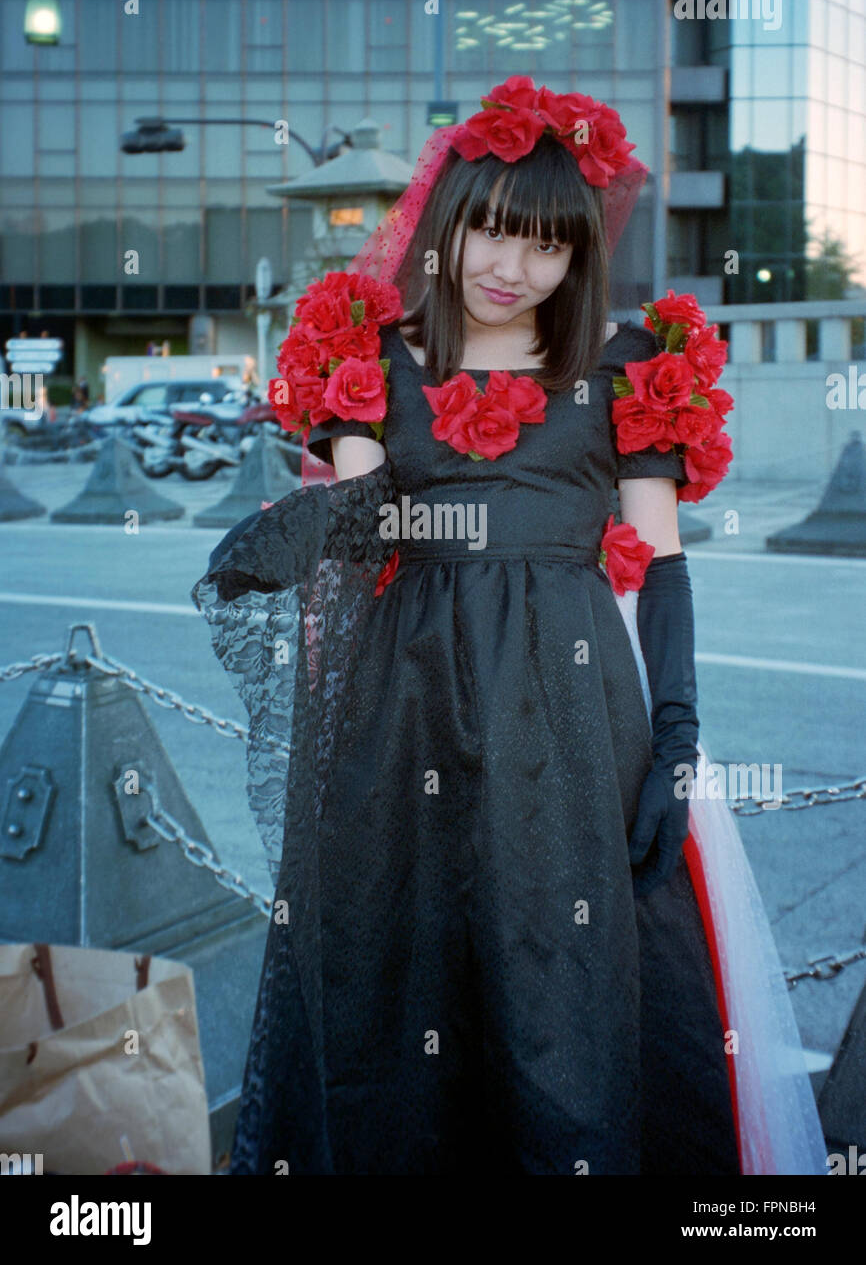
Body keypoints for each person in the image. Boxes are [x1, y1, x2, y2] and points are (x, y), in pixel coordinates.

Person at [192, 78, 826, 1176]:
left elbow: (662, 568)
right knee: (403, 997)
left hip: (576, 716)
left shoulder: (632, 366)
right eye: (487, 229)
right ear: (447, 222)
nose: (506, 266)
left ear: (578, 257)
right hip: (406, 709)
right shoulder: (372, 357)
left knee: (568, 1003)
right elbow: (358, 530)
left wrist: (673, 738)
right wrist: (288, 534)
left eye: (542, 247)